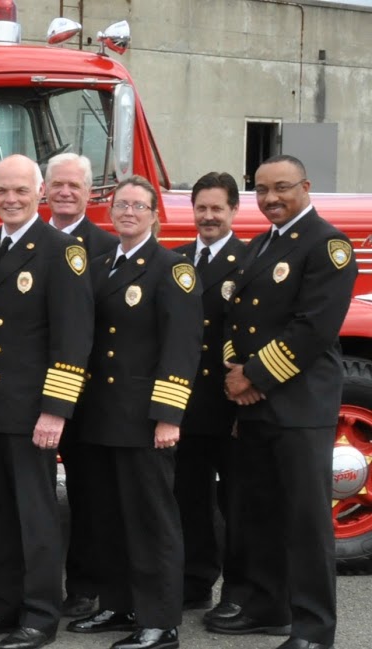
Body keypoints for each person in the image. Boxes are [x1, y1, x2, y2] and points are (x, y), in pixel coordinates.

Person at [0, 154, 92, 649]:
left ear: (41, 195)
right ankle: (1, 606)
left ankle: (39, 615)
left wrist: (56, 409)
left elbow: (73, 339)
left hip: (31, 411)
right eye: (1, 190)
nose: (10, 199)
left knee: (35, 518)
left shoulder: (61, 251)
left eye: (20, 191)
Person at [212, 155, 352, 649]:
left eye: (282, 189)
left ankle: (314, 628)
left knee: (306, 520)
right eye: (262, 190)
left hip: (299, 405)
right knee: (260, 512)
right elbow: (236, 319)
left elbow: (315, 328)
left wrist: (251, 376)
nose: (271, 198)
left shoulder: (326, 245)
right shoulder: (260, 246)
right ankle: (267, 607)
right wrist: (236, 372)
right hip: (256, 405)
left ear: (306, 186)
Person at [66, 176, 201, 649]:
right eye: (121, 204)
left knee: (151, 520)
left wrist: (169, 415)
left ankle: (160, 621)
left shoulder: (172, 268)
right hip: (101, 415)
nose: (127, 211)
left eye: (138, 205)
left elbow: (182, 348)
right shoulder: (100, 267)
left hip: (145, 419)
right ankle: (118, 604)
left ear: (154, 214)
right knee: (107, 517)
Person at [171, 171, 251, 621]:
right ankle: (194, 581)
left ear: (234, 211)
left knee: (237, 504)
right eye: (201, 208)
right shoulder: (178, 260)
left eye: (217, 208)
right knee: (188, 498)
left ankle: (238, 593)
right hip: (184, 404)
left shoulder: (249, 261)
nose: (208, 216)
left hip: (230, 405)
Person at [41, 152, 117, 619]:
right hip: (31, 392)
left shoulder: (108, 247)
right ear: (44, 190)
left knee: (89, 497)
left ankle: (87, 587)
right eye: (58, 184)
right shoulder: (30, 241)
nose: (66, 192)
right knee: (33, 495)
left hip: (88, 395)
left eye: (75, 185)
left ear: (90, 193)